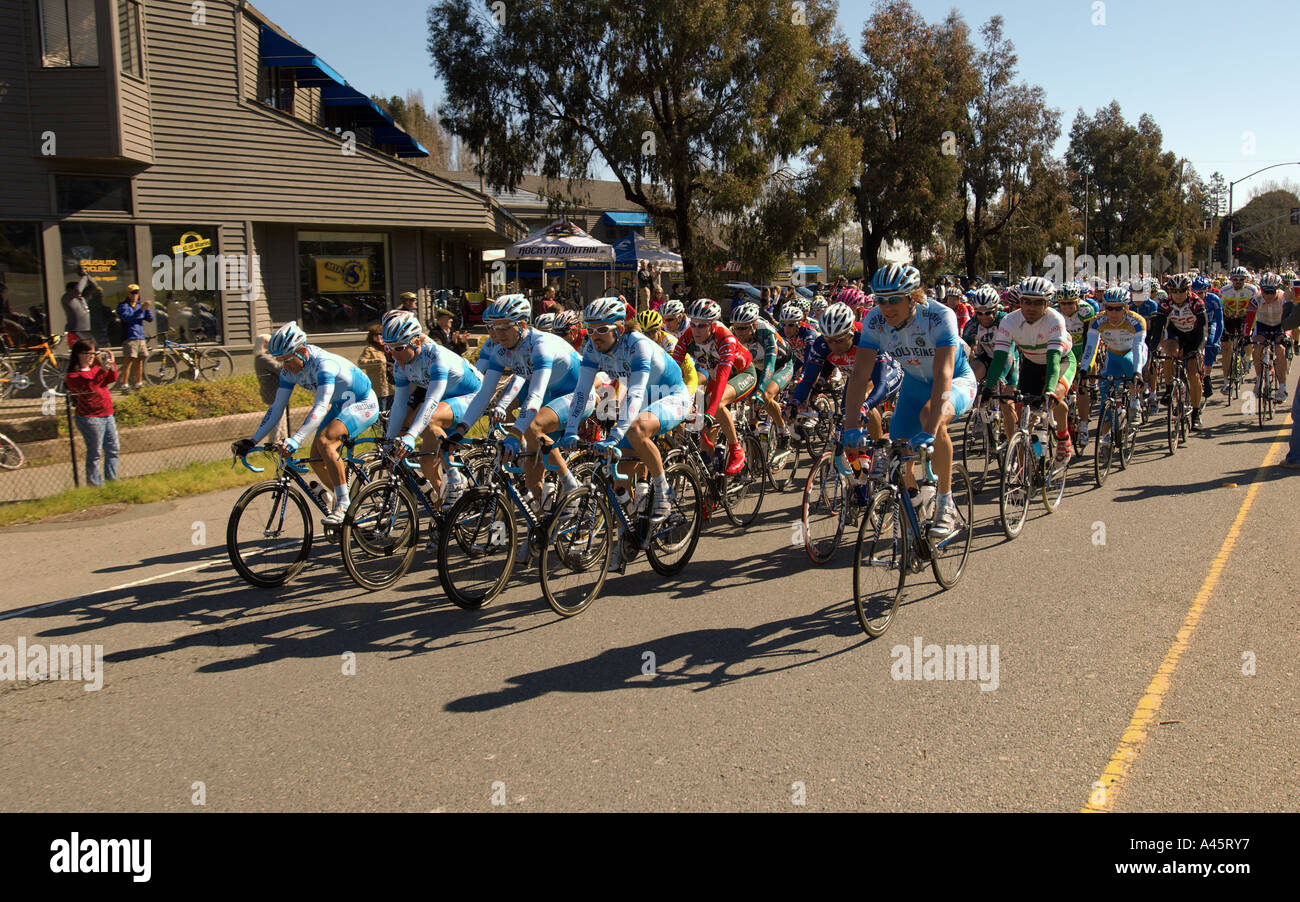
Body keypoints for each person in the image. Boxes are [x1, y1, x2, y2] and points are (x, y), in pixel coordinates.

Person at [559, 297, 693, 571]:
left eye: (601, 329)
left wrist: (616, 433)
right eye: (590, 329)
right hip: (642, 400)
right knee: (616, 469)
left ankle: (663, 488)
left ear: (619, 327)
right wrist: (571, 429)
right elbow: (582, 391)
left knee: (636, 429)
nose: (594, 336)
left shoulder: (639, 345)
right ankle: (627, 534)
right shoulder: (592, 348)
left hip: (670, 395)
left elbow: (634, 392)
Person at [843, 264, 976, 537]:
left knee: (931, 417)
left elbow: (943, 374)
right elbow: (859, 374)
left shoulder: (939, 317)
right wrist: (850, 424)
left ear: (912, 297)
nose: (886, 307)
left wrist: (929, 430)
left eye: (894, 300)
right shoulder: (875, 320)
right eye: (880, 300)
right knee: (898, 454)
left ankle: (945, 502)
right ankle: (916, 501)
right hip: (915, 383)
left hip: (955, 380)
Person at [232, 321, 380, 526]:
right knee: (316, 459)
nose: (285, 366)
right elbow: (277, 407)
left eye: (287, 360)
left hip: (363, 403)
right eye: (280, 360)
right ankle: (350, 499)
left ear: (302, 351)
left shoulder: (324, 365)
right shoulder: (288, 371)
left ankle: (344, 504)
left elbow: (320, 407)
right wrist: (252, 439)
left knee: (326, 442)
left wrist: (295, 440)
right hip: (340, 405)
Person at [382, 312, 483, 519]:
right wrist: (389, 441)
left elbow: (431, 401)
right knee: (427, 463)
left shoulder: (436, 357)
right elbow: (400, 404)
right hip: (446, 399)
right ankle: (449, 510)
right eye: (389, 348)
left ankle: (456, 478)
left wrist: (410, 436)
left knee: (431, 419)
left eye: (399, 348)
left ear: (416, 341)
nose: (394, 354)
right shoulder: (402, 365)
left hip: (471, 394)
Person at [65, 339, 120, 487]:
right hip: (90, 418)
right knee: (95, 452)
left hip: (107, 414)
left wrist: (111, 366)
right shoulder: (73, 376)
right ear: (78, 354)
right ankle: (95, 484)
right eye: (86, 353)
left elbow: (111, 378)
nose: (90, 356)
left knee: (113, 449)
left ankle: (112, 481)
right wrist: (102, 370)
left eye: (93, 353)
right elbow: (90, 387)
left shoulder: (96, 370)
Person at [115, 284, 152, 392]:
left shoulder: (140, 305)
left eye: (137, 292)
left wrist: (147, 309)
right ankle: (124, 385)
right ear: (128, 294)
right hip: (130, 337)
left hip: (140, 336)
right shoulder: (123, 306)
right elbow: (127, 318)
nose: (135, 295)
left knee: (139, 361)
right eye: (133, 292)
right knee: (128, 361)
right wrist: (141, 310)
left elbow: (150, 319)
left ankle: (138, 383)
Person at [252, 333, 288, 443]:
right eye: (269, 343)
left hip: (272, 391)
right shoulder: (264, 359)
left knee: (281, 417)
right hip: (273, 392)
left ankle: (284, 439)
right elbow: (278, 369)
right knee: (277, 418)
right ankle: (274, 441)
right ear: (264, 345)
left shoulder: (261, 358)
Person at [357, 324, 393, 413]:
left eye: (381, 334)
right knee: (381, 412)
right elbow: (361, 363)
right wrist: (377, 361)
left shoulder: (391, 347)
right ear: (371, 337)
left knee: (392, 412)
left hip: (392, 387)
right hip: (379, 388)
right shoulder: (369, 349)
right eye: (375, 335)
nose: (378, 337)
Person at [60, 269, 95, 347]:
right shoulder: (67, 298)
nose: (80, 293)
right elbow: (78, 290)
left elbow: (94, 286)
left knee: (95, 353)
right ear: (69, 290)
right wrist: (84, 277)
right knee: (81, 353)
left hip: (86, 331)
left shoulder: (82, 298)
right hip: (75, 331)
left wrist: (87, 275)